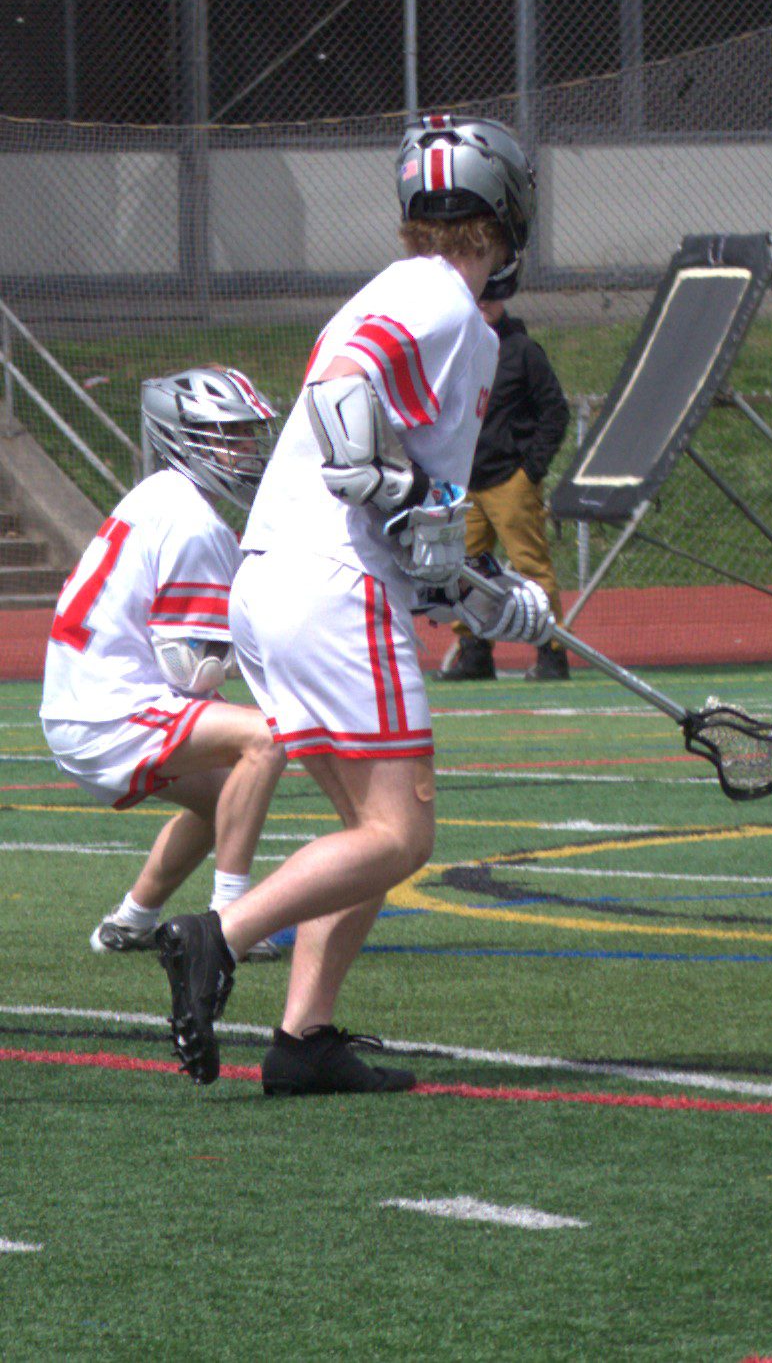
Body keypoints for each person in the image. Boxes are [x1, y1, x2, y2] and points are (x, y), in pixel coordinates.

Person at [153, 114, 554, 1094]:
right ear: (506, 213)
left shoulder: (422, 298)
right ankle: (217, 939)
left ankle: (304, 1042)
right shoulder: (436, 296)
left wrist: (486, 596)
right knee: (400, 836)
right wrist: (411, 506)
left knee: (364, 839)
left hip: (296, 581)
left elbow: (405, 513)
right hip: (329, 586)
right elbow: (341, 397)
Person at [40, 368, 288, 960]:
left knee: (227, 793)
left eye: (248, 434)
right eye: (226, 434)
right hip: (109, 708)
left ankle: (130, 920)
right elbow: (190, 670)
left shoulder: (161, 494)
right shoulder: (194, 520)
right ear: (182, 436)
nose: (245, 449)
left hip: (89, 699)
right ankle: (230, 920)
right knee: (270, 737)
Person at [439, 295, 571, 682]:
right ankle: (474, 653)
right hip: (465, 484)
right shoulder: (459, 349)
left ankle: (552, 651)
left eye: (491, 298)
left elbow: (554, 411)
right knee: (463, 571)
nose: (483, 305)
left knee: (531, 567)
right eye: (478, 297)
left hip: (510, 482)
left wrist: (530, 470)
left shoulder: (523, 351)